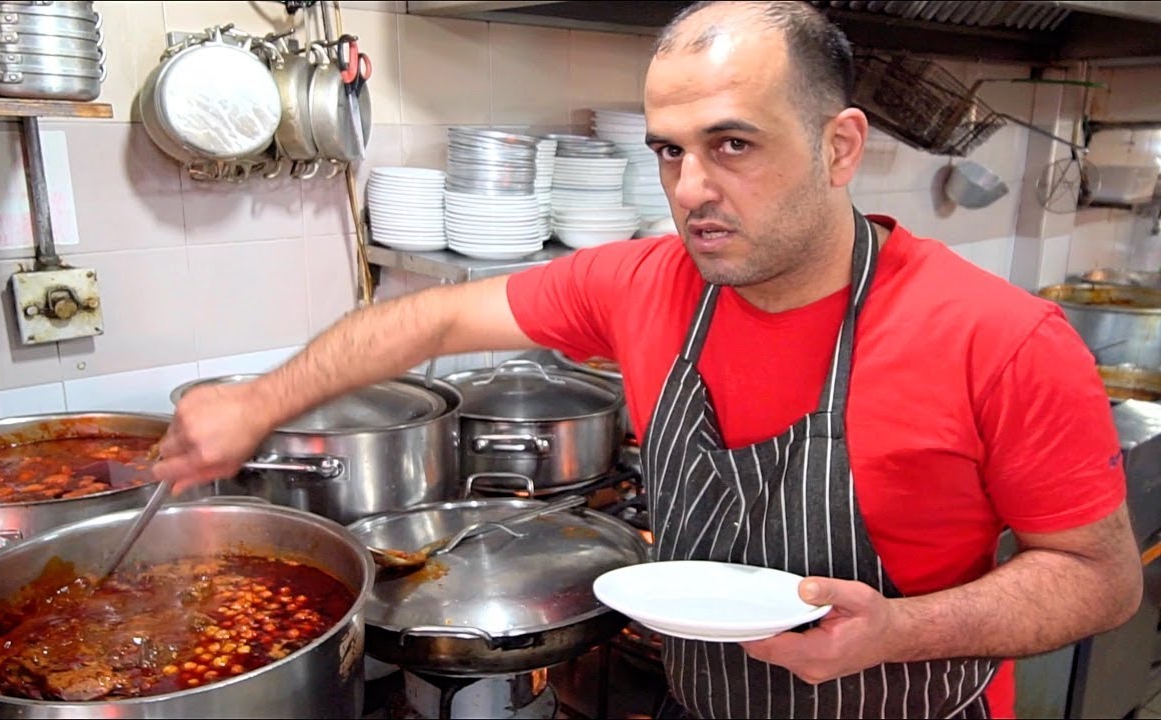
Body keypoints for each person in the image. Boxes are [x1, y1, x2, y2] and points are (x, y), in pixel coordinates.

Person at [154, 1, 1143, 717]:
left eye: (732, 145)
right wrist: (257, 403)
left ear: (840, 147)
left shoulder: (998, 338)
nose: (691, 190)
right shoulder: (641, 282)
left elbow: (1097, 581)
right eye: (670, 151)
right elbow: (433, 322)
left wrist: (897, 632)